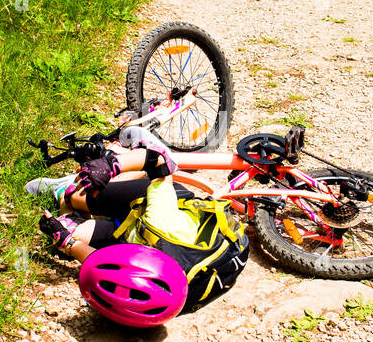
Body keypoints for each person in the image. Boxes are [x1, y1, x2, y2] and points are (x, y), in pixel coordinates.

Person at [26, 130, 248, 316]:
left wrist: (67, 242)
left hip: (135, 237)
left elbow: (104, 267)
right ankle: (73, 185)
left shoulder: (162, 302)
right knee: (76, 198)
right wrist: (112, 164)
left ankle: (84, 200)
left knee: (71, 232)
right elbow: (162, 164)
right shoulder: (161, 219)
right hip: (151, 205)